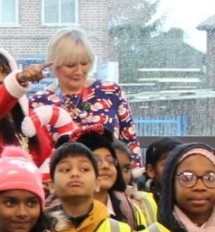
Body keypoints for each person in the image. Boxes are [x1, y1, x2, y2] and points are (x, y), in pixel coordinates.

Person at [27, 27, 142, 166]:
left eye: (84, 63)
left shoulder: (110, 92)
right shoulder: (39, 102)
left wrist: (134, 178)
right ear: (54, 64)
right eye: (71, 65)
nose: (79, 71)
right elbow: (34, 152)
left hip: (108, 177)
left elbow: (130, 142)